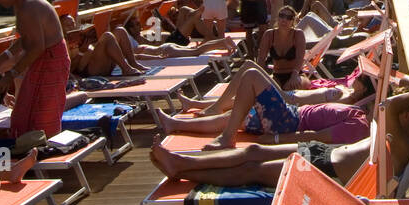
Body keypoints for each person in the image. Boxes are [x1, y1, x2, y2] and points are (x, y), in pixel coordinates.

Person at [150, 91, 409, 188]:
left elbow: (391, 102)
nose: (405, 115)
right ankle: (183, 161)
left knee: (252, 170)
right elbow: (391, 103)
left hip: (327, 173)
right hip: (325, 153)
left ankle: (182, 168)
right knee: (252, 150)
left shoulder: (402, 141)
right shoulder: (395, 132)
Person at [154, 62, 376, 150]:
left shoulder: (351, 106)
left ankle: (226, 138)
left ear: (365, 88)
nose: (356, 75)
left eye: (362, 77)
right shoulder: (347, 96)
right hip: (290, 110)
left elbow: (315, 137)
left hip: (289, 119)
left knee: (251, 74)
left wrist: (277, 139)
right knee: (236, 115)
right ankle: (175, 124)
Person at [0, 0, 71, 139]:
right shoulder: (22, 3)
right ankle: (34, 155)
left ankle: (42, 156)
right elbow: (27, 38)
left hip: (50, 59)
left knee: (39, 115)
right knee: (25, 112)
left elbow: (37, 47)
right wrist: (1, 58)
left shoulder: (28, 7)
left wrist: (10, 75)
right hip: (48, 57)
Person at [67, 21, 148, 77]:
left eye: (72, 23)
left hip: (96, 61)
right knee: (107, 36)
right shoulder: (63, 43)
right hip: (87, 72)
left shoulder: (78, 36)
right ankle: (126, 68)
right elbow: (70, 70)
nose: (71, 26)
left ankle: (133, 63)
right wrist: (81, 52)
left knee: (120, 30)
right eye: (67, 25)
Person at [257, 5, 308, 90]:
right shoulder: (269, 35)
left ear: (293, 21)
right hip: (277, 75)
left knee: (291, 87)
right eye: (281, 16)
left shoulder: (298, 34)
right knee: (271, 89)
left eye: (289, 17)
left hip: (296, 74)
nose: (284, 20)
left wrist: (294, 76)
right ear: (277, 18)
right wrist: (260, 78)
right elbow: (261, 59)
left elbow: (300, 58)